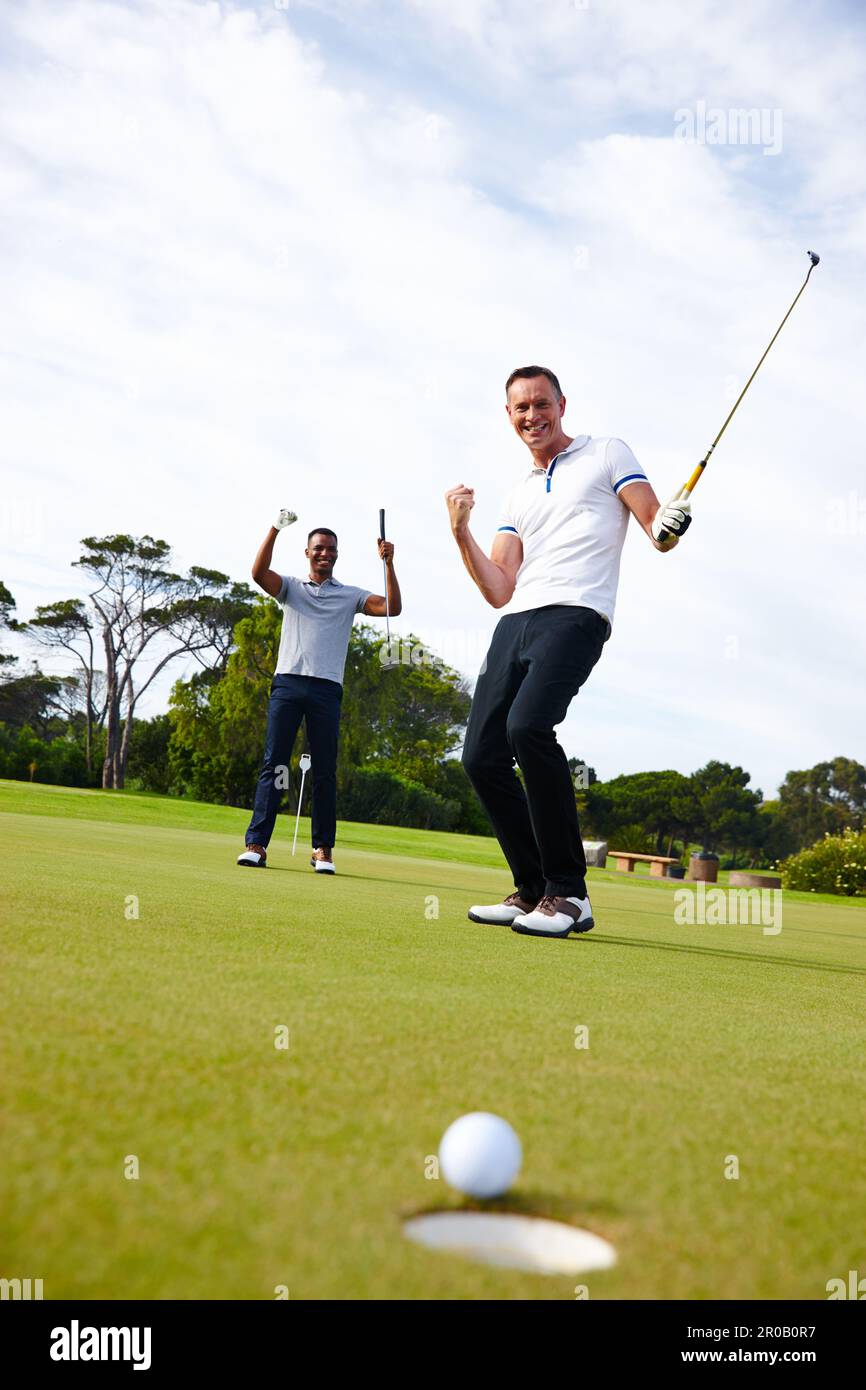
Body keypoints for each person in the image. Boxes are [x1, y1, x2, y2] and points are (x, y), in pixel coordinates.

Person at [445, 365, 691, 938]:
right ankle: (532, 889)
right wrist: (461, 532)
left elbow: (656, 528)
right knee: (480, 755)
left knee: (528, 728)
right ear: (509, 417)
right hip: (518, 619)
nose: (532, 416)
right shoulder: (519, 492)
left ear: (561, 404)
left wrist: (672, 526)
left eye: (541, 404)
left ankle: (570, 894)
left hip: (577, 613)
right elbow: (498, 586)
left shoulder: (606, 451)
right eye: (520, 408)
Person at [237, 510, 401, 873]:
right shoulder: (292, 588)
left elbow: (392, 607)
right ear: (308, 552)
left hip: (327, 689)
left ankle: (322, 850)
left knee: (325, 770)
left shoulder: (349, 595)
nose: (325, 554)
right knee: (275, 764)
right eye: (319, 549)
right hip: (289, 683)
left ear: (336, 556)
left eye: (331, 550)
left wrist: (388, 565)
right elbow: (258, 574)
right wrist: (274, 529)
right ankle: (256, 844)